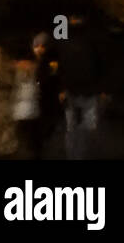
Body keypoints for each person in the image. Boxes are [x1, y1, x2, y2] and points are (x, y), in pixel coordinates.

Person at [56, 13, 106, 159]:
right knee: (80, 126)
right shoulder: (88, 42)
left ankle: (77, 154)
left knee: (79, 127)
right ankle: (77, 155)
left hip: (81, 89)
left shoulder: (67, 42)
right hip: (81, 89)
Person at [13, 33, 60, 160]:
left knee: (36, 139)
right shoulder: (27, 63)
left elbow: (51, 84)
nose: (39, 49)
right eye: (37, 46)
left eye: (43, 46)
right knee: (29, 139)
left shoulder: (50, 63)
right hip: (29, 109)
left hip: (41, 107)